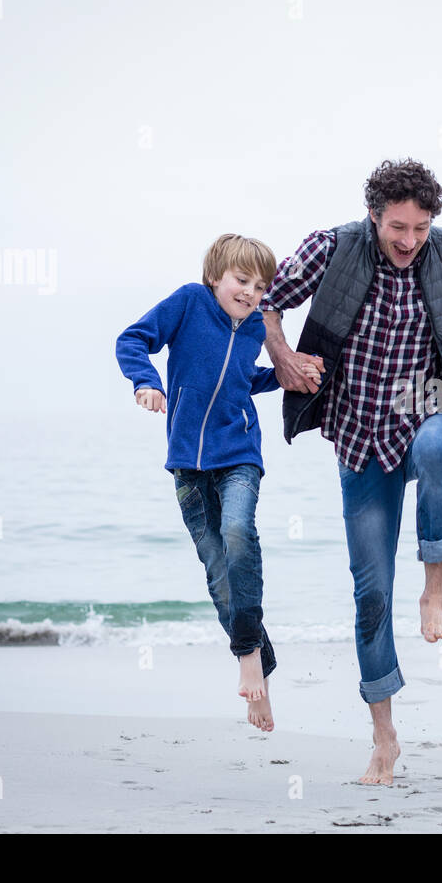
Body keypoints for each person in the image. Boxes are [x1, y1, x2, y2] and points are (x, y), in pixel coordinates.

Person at [260, 158, 442, 784]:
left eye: (420, 228)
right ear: (374, 215)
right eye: (398, 226)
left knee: (432, 450)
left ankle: (435, 593)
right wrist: (282, 356)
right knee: (370, 595)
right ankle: (384, 737)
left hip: (432, 404)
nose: (409, 241)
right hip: (358, 429)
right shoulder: (330, 247)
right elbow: (269, 303)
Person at [115, 233, 321, 732]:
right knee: (215, 566)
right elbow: (132, 339)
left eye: (259, 285)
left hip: (239, 454)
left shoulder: (254, 327)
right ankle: (259, 667)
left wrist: (285, 375)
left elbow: (241, 379)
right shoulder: (189, 303)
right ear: (215, 277)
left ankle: (246, 656)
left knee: (237, 534)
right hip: (187, 461)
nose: (251, 293)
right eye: (241, 280)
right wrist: (147, 381)